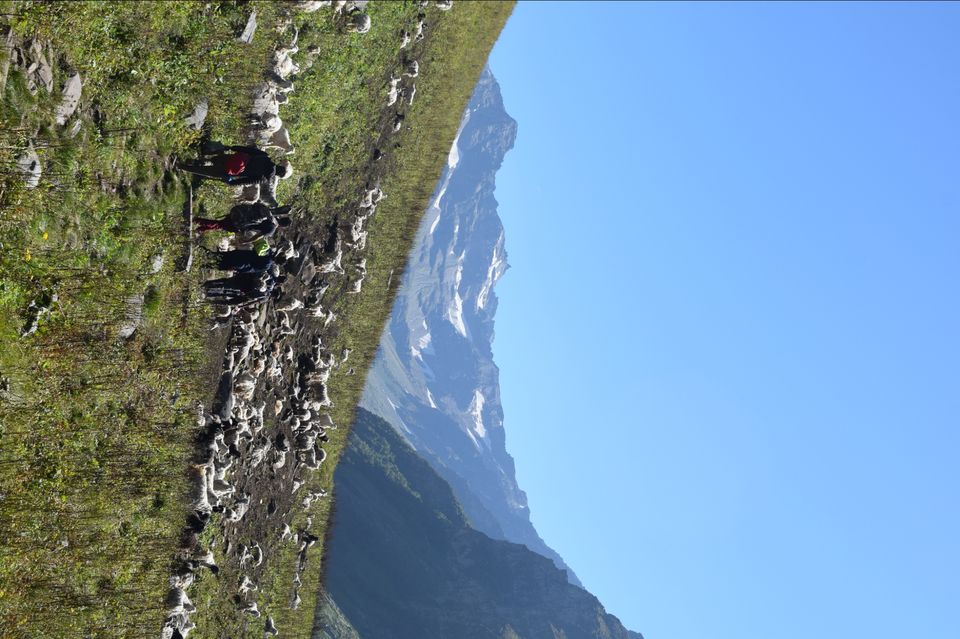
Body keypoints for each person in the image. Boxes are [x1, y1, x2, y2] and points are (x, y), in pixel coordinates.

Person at [179, 145, 287, 185]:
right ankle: (181, 167)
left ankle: (194, 161)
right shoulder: (264, 178)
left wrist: (234, 148)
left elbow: (248, 150)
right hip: (231, 170)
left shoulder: (265, 156)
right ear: (277, 175)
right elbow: (246, 181)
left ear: (278, 165)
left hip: (233, 159)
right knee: (205, 171)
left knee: (213, 160)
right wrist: (232, 182)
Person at [194, 203, 291, 243]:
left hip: (240, 213)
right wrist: (247, 241)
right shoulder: (272, 229)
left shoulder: (271, 213)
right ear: (282, 226)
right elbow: (258, 236)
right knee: (219, 225)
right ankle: (197, 221)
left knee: (220, 225)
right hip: (241, 225)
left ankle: (200, 228)